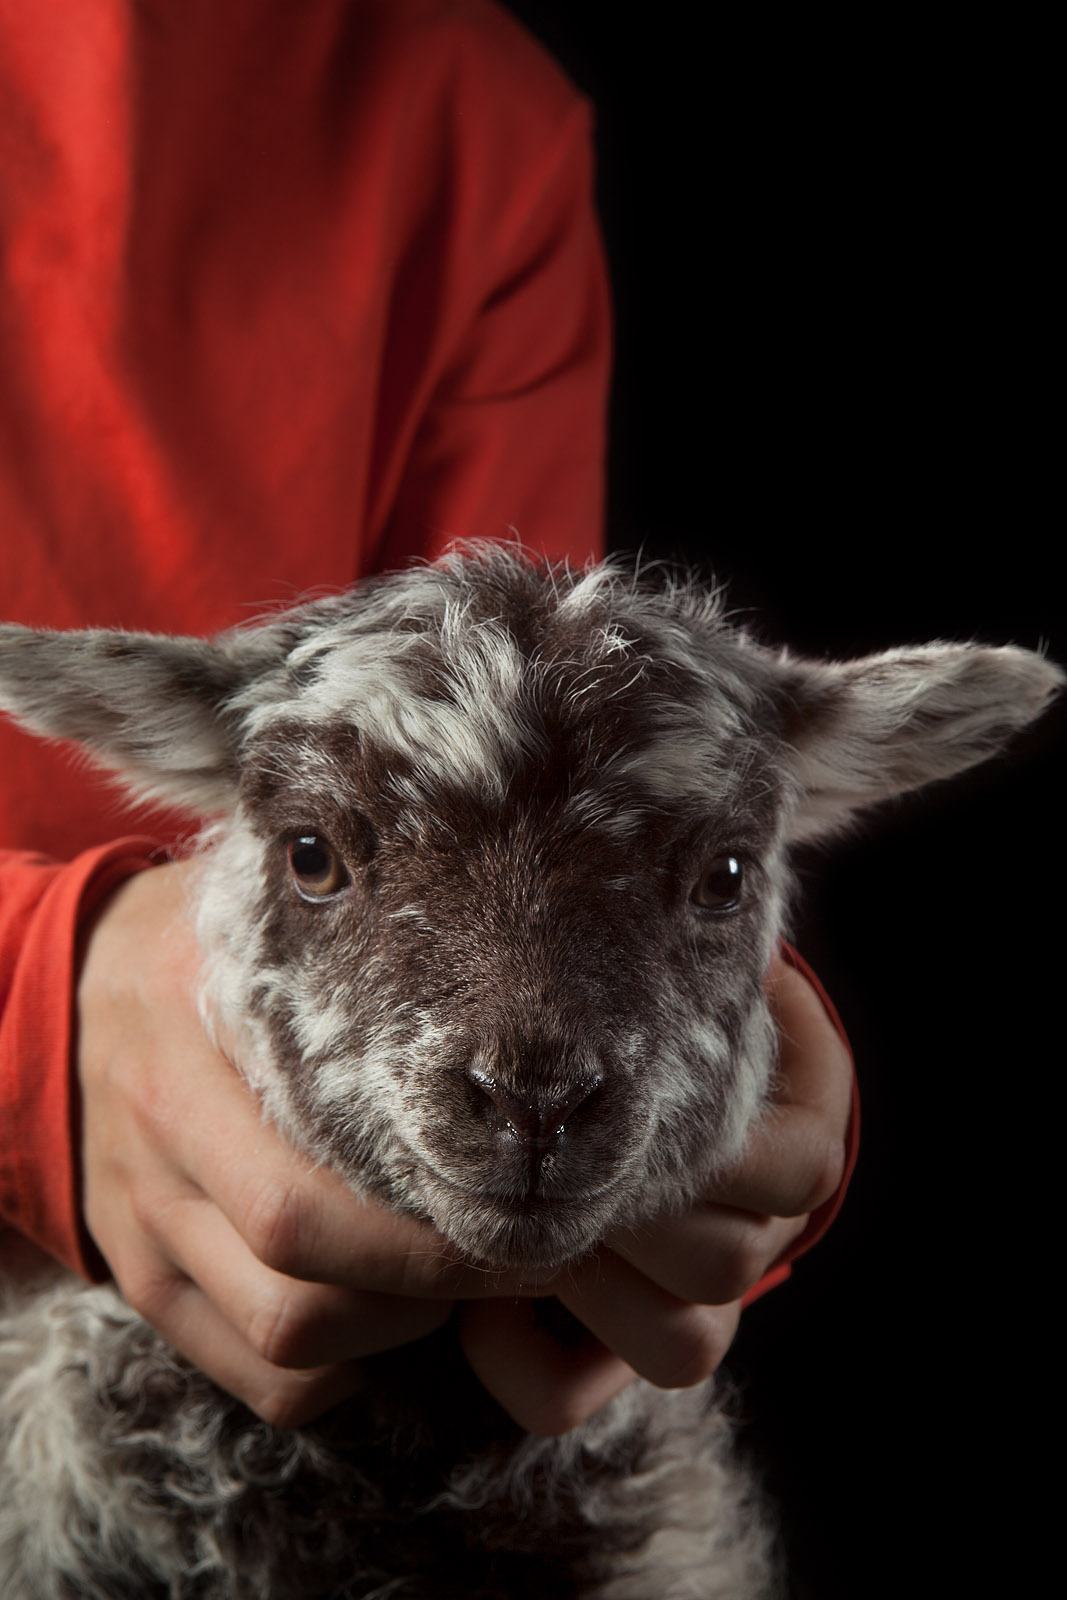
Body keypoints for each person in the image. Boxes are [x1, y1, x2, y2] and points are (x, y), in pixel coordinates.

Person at [0, 0, 855, 1435]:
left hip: (278, 1381)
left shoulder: (463, 119)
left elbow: (515, 746)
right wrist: (28, 1025)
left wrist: (731, 1109)